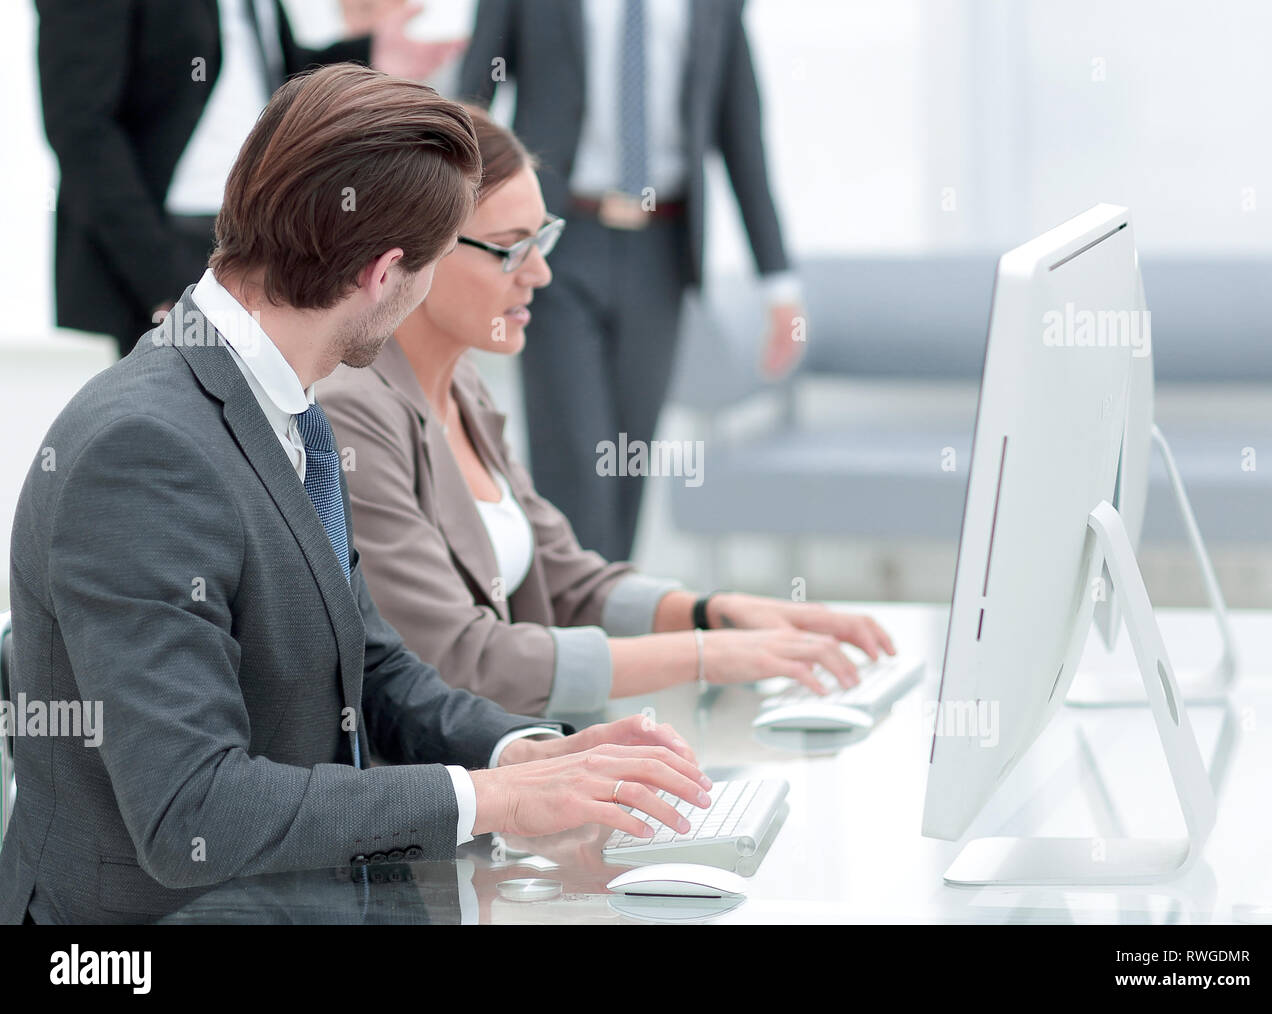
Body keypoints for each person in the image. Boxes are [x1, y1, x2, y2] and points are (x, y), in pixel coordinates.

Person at [0, 65, 710, 926]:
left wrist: (521, 754)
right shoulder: (143, 450)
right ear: (384, 274)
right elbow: (193, 809)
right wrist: (486, 803)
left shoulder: (283, 393)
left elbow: (370, 665)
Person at [316, 108, 894, 719]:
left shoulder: (461, 382)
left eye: (543, 240)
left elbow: (567, 581)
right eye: (512, 249)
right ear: (411, 254)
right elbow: (463, 658)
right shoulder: (353, 412)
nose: (540, 273)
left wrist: (712, 613)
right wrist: (706, 656)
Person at [456, 0, 806, 562]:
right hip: (555, 243)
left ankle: (609, 622)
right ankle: (579, 632)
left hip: (662, 252)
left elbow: (741, 133)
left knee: (628, 456)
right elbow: (472, 100)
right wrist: (446, 231)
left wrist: (779, 287)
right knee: (574, 454)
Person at [34, 0, 465, 359]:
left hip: (265, 231)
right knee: (187, 432)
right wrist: (161, 279)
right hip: (171, 245)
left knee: (277, 423)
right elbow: (81, 132)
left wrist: (366, 51)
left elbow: (265, 78)